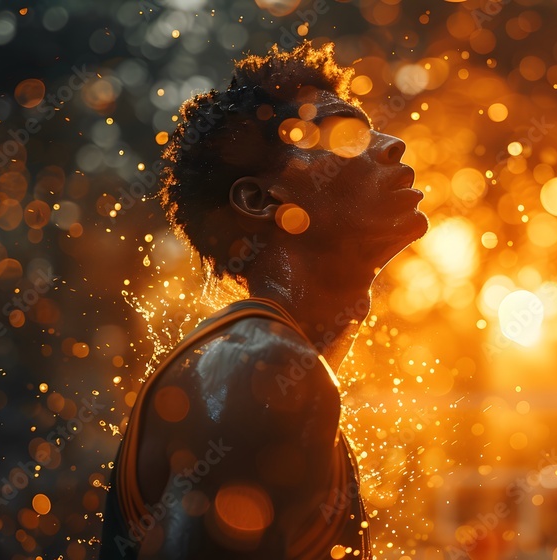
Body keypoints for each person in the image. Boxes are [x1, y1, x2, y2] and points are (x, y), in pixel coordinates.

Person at [99, 41, 428, 559]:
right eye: (347, 133)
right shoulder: (263, 364)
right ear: (259, 200)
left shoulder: (267, 360)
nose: (391, 145)